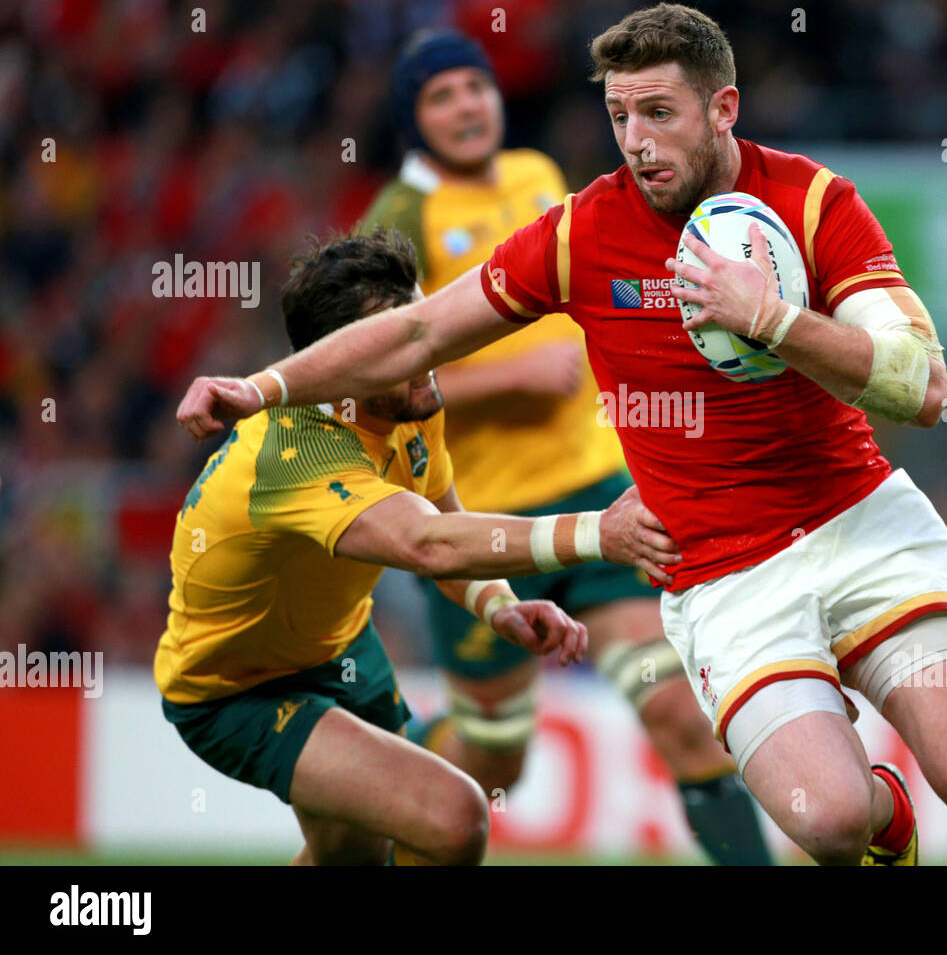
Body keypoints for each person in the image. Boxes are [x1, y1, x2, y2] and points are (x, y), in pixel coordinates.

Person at [178, 4, 947, 866]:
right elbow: (416, 334)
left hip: (859, 524)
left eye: (658, 114)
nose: (635, 141)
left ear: (724, 109)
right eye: (619, 116)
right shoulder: (580, 231)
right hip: (722, 573)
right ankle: (885, 814)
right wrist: (261, 387)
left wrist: (774, 319)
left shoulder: (815, 201)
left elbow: (926, 385)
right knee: (827, 822)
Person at [355, 30, 773, 864]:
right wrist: (509, 381)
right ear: (415, 119)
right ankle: (369, 789)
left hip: (600, 500)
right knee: (494, 750)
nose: (467, 105)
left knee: (681, 716)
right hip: (484, 530)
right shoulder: (397, 221)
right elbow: (369, 381)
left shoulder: (537, 177)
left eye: (475, 87)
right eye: (441, 96)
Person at [158, 227, 679, 866]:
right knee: (453, 818)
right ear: (347, 363)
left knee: (349, 857)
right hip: (236, 689)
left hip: (343, 648)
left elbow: (446, 517)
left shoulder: (409, 400)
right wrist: (599, 532)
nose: (422, 350)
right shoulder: (297, 454)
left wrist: (498, 607)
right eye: (393, 340)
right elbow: (429, 545)